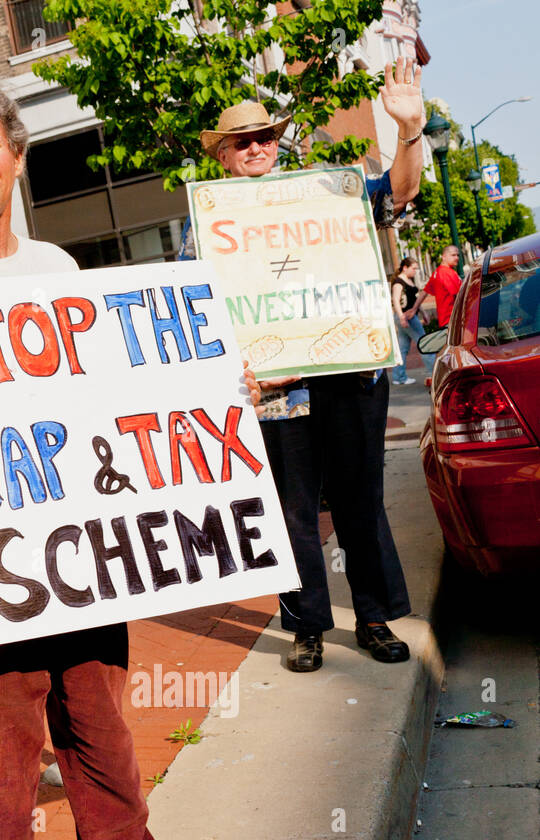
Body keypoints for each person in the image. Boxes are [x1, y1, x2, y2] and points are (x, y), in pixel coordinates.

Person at [0, 75, 180, 840]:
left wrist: (210, 387)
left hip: (84, 568)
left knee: (108, 756)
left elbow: (117, 400)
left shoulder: (59, 267)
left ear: (17, 159)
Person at [184, 57, 425, 673]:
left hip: (349, 375)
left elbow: (398, 192)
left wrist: (408, 131)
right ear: (223, 156)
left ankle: (373, 618)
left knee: (360, 502)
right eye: (244, 142)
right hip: (275, 390)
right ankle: (307, 625)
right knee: (292, 513)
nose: (258, 147)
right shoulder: (205, 225)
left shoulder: (328, 193)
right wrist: (238, 366)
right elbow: (198, 316)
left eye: (265, 137)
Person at [390, 257, 427, 385]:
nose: (415, 271)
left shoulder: (408, 280)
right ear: (405, 268)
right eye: (413, 268)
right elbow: (395, 300)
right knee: (425, 344)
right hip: (407, 317)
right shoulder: (399, 282)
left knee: (403, 348)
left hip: (409, 316)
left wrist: (423, 313)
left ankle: (399, 377)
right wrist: (401, 317)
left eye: (416, 268)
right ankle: (434, 373)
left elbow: (414, 300)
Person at [407, 246, 462, 330]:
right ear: (443, 257)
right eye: (453, 255)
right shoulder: (445, 273)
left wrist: (414, 309)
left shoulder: (437, 272)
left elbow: (424, 292)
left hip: (447, 321)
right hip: (453, 320)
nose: (456, 258)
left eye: (457, 255)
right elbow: (460, 295)